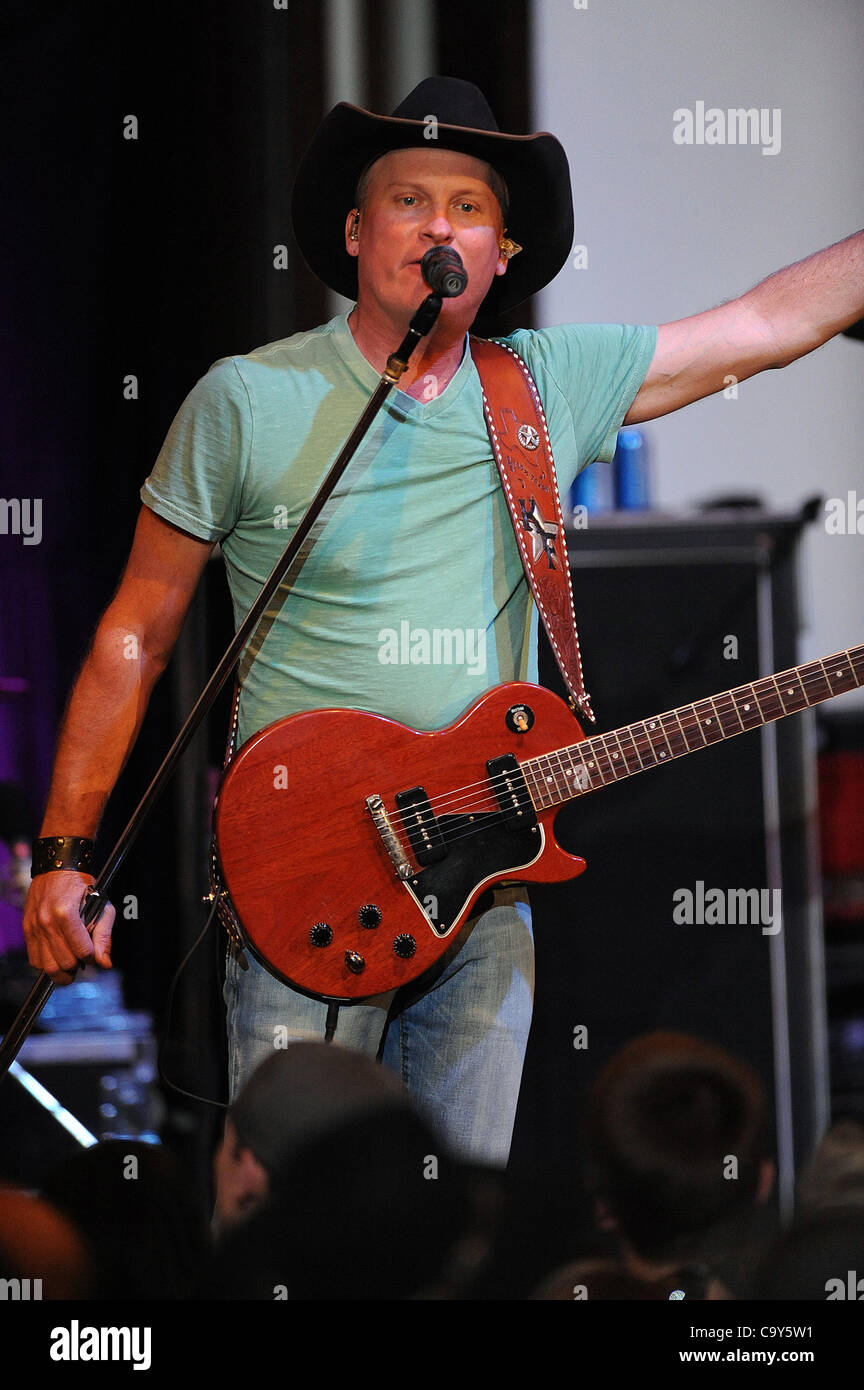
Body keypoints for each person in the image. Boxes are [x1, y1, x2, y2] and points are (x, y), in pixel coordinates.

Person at [22, 77, 864, 1174]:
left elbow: (764, 325)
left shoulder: (544, 386)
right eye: (409, 200)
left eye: (468, 207)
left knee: (454, 1227)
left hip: (483, 886)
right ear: (355, 232)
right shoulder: (246, 398)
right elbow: (133, 634)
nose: (438, 227)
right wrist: (64, 852)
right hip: (305, 889)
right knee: (295, 1224)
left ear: (502, 249)